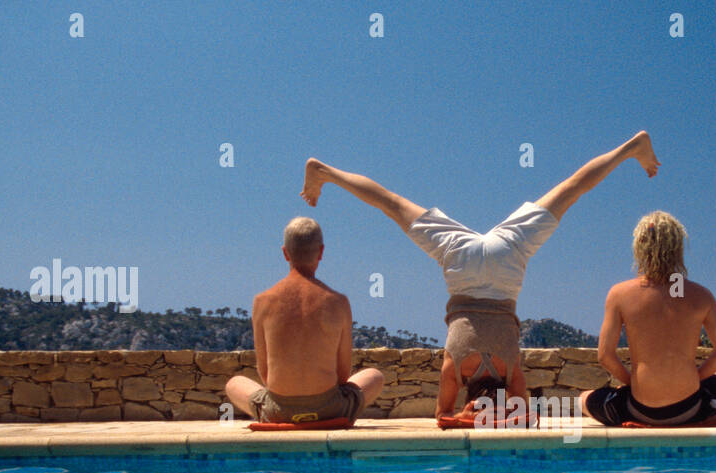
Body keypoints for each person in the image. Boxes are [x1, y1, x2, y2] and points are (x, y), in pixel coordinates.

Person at [298, 131, 660, 419]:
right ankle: (326, 173)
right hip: (463, 266)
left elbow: (526, 416)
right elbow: (443, 414)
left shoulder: (510, 367)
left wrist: (494, 416)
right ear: (468, 393)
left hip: (505, 265)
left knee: (569, 190)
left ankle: (630, 148)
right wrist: (460, 418)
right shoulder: (456, 369)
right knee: (392, 205)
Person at [579, 211, 716, 426]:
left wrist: (631, 383)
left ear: (640, 248)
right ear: (678, 248)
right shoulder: (699, 294)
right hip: (690, 408)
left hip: (641, 409)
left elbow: (605, 356)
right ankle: (708, 404)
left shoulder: (620, 294)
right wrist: (694, 379)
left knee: (583, 399)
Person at [225, 217, 384, 424]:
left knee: (234, 383)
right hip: (332, 410)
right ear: (321, 252)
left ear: (285, 253)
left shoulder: (262, 301)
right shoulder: (338, 302)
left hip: (278, 411)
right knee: (375, 376)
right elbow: (343, 375)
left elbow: (265, 375)